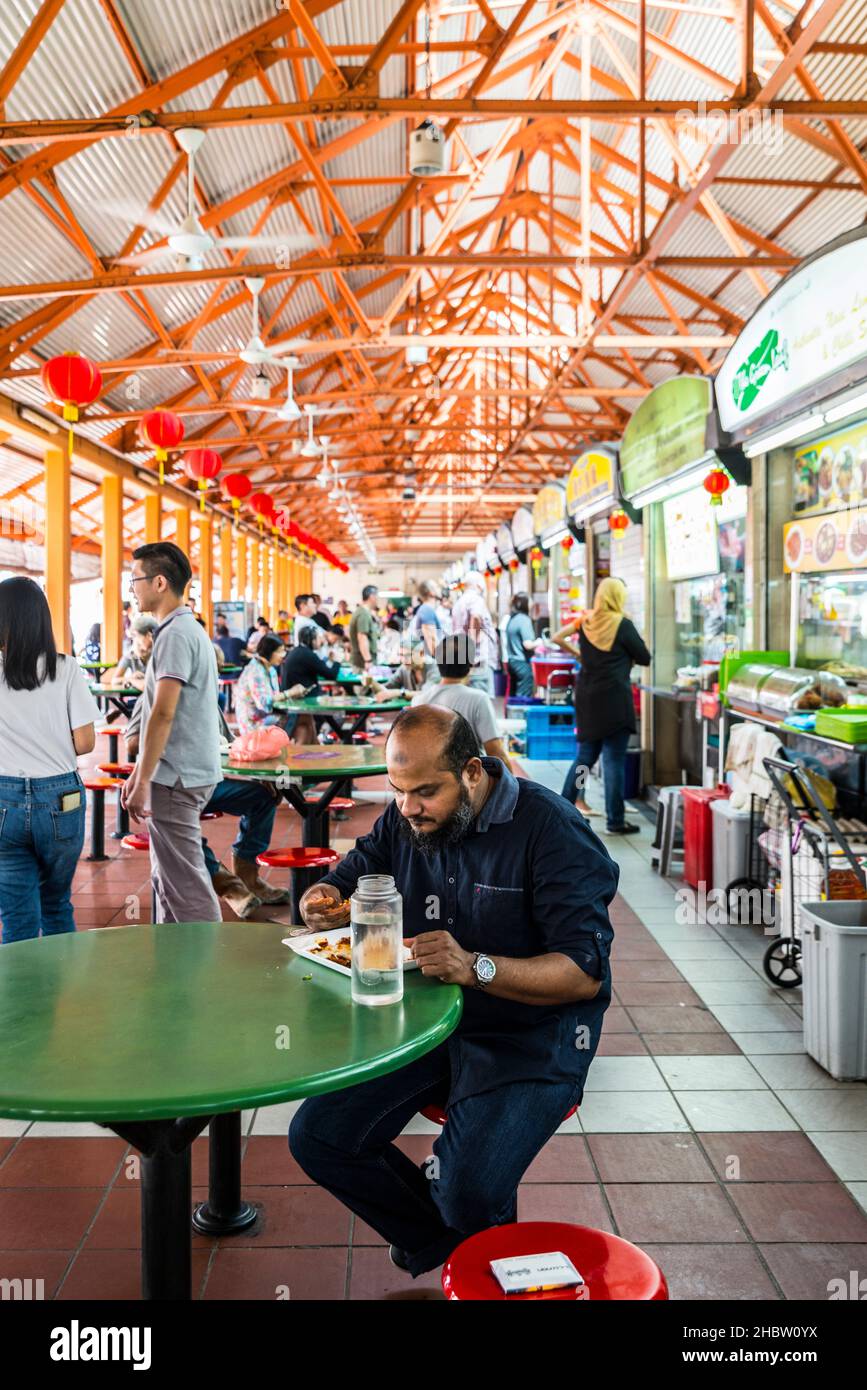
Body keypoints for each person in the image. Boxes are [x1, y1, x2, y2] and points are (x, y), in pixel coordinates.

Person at [289, 704, 617, 1276]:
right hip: (429, 1020)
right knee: (319, 1135)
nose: (409, 808)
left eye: (424, 792)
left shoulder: (553, 830)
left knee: (467, 1190)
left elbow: (580, 971)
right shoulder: (406, 817)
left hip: (532, 1034)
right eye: (396, 791)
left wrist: (476, 968)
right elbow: (354, 873)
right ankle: (450, 1252)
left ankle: (471, 1245)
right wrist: (321, 898)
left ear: (471, 771)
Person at [121, 541, 223, 925]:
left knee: (186, 886)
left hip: (176, 776)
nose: (133, 589)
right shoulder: (186, 629)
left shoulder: (176, 634)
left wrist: (143, 777)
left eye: (136, 580)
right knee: (168, 878)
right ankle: (175, 967)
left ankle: (206, 972)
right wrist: (140, 774)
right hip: (184, 770)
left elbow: (163, 712)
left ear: (159, 582)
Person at [0, 577, 100, 943]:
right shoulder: (66, 668)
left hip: (3, 802)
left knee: (15, 918)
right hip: (61, 800)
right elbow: (86, 742)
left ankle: (21, 1000)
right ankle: (59, 993)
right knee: (57, 904)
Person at [125, 700, 291, 916]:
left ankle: (248, 877)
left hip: (211, 782)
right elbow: (131, 743)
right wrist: (180, 738)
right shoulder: (159, 693)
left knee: (263, 796)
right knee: (181, 826)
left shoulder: (207, 695)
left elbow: (230, 744)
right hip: (176, 784)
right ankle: (230, 887)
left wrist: (258, 773)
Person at [552, 577, 651, 835]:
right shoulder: (623, 624)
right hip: (615, 698)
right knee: (614, 761)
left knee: (585, 758)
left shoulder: (586, 621)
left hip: (588, 696)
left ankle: (564, 811)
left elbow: (557, 637)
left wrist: (579, 654)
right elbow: (644, 657)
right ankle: (615, 820)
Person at [412, 635, 512, 768]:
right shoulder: (478, 699)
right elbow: (496, 752)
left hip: (430, 777)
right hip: (469, 779)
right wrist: (516, 786)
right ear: (470, 664)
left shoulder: (419, 701)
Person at [450, 571, 498, 694]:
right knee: (481, 700)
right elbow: (476, 617)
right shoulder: (476, 599)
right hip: (478, 660)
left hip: (464, 661)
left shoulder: (458, 603)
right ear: (479, 585)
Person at [235, 634, 289, 734]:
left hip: (265, 715)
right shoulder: (255, 671)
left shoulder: (271, 669)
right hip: (252, 722)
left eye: (284, 651)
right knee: (296, 721)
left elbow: (274, 697)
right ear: (268, 652)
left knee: (303, 720)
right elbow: (263, 703)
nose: (283, 655)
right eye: (279, 651)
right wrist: (288, 694)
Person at [101, 615, 156, 692]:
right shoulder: (131, 654)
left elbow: (146, 686)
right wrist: (130, 678)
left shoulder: (159, 652)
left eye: (136, 636)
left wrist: (132, 681)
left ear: (149, 635)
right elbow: (114, 680)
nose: (135, 639)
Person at [370, 641, 438, 697]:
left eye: (408, 655)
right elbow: (385, 690)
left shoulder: (435, 668)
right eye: (401, 655)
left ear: (421, 653)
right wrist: (371, 682)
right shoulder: (403, 668)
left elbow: (427, 694)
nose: (403, 660)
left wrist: (401, 693)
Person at [505, 592, 540, 698]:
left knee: (514, 695)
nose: (532, 604)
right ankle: (519, 715)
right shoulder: (524, 619)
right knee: (522, 697)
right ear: (524, 603)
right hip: (522, 663)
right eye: (530, 601)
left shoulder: (513, 619)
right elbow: (528, 644)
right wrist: (539, 642)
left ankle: (512, 714)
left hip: (512, 662)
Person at [349, 584, 380, 672]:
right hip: (362, 663)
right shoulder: (363, 614)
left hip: (362, 661)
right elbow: (362, 637)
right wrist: (368, 660)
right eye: (376, 596)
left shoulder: (363, 612)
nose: (377, 599)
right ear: (372, 596)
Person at [412, 581, 442, 656]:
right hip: (432, 663)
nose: (439, 589)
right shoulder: (426, 610)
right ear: (431, 592)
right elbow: (432, 643)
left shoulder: (427, 609)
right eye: (437, 587)